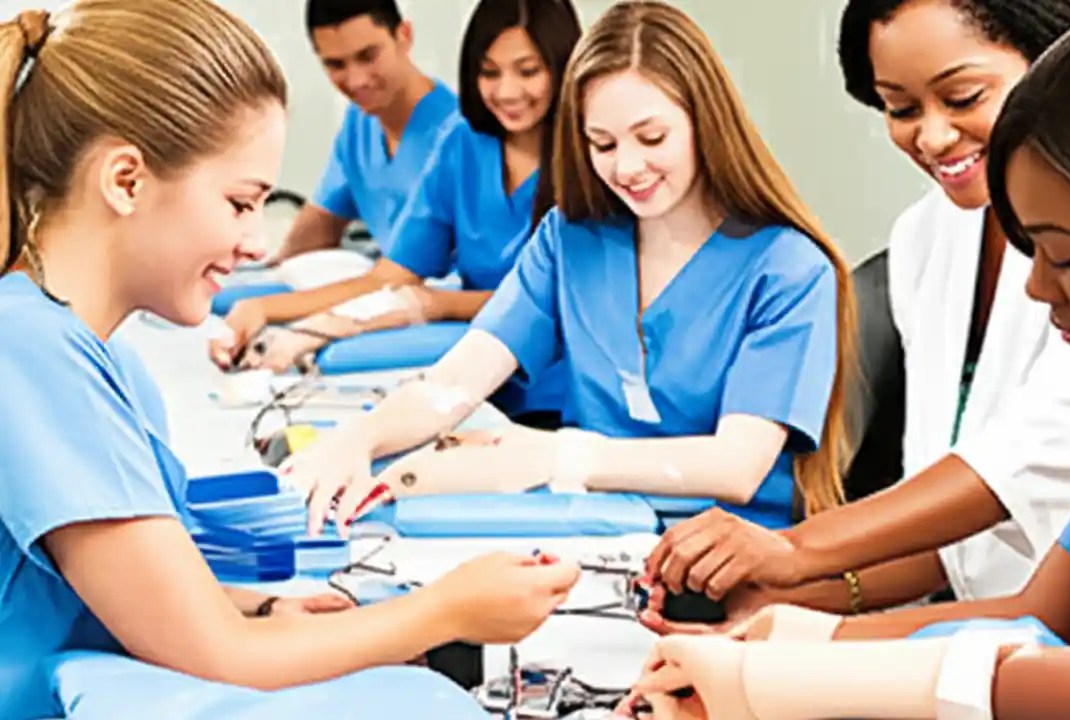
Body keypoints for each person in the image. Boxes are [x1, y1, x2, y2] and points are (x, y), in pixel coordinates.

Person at [624, 13, 1070, 719]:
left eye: (1065, 259)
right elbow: (1047, 611)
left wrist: (779, 678)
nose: (1037, 287)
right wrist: (798, 638)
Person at [0, 4, 578, 718]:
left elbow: (130, 588)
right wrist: (448, 610)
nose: (252, 246)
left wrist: (265, 604)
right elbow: (220, 654)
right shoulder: (31, 355)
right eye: (241, 204)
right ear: (126, 181)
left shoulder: (89, 356)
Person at [640, 0, 1070, 626]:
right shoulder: (929, 235)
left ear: (1056, 62)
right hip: (976, 626)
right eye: (901, 108)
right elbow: (952, 542)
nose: (932, 136)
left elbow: (1008, 478)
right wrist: (782, 607)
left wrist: (794, 553)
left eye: (963, 97)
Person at [282, 0, 857, 537]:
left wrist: (557, 455)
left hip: (726, 557)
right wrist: (357, 441)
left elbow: (737, 466)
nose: (627, 167)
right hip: (592, 529)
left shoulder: (786, 269)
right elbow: (457, 380)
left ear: (705, 122)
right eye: (601, 144)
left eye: (651, 137)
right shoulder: (570, 238)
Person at [210, 0, 581, 427]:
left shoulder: (589, 155)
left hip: (563, 394)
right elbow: (390, 277)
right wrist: (290, 320)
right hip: (482, 385)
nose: (507, 91)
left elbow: (560, 299)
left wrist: (437, 303)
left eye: (528, 71)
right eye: (489, 72)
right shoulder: (462, 143)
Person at [266, 0, 458, 264]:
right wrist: (271, 269)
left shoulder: (460, 133)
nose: (356, 80)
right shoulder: (360, 123)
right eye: (335, 65)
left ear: (404, 36)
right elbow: (322, 220)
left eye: (368, 56)